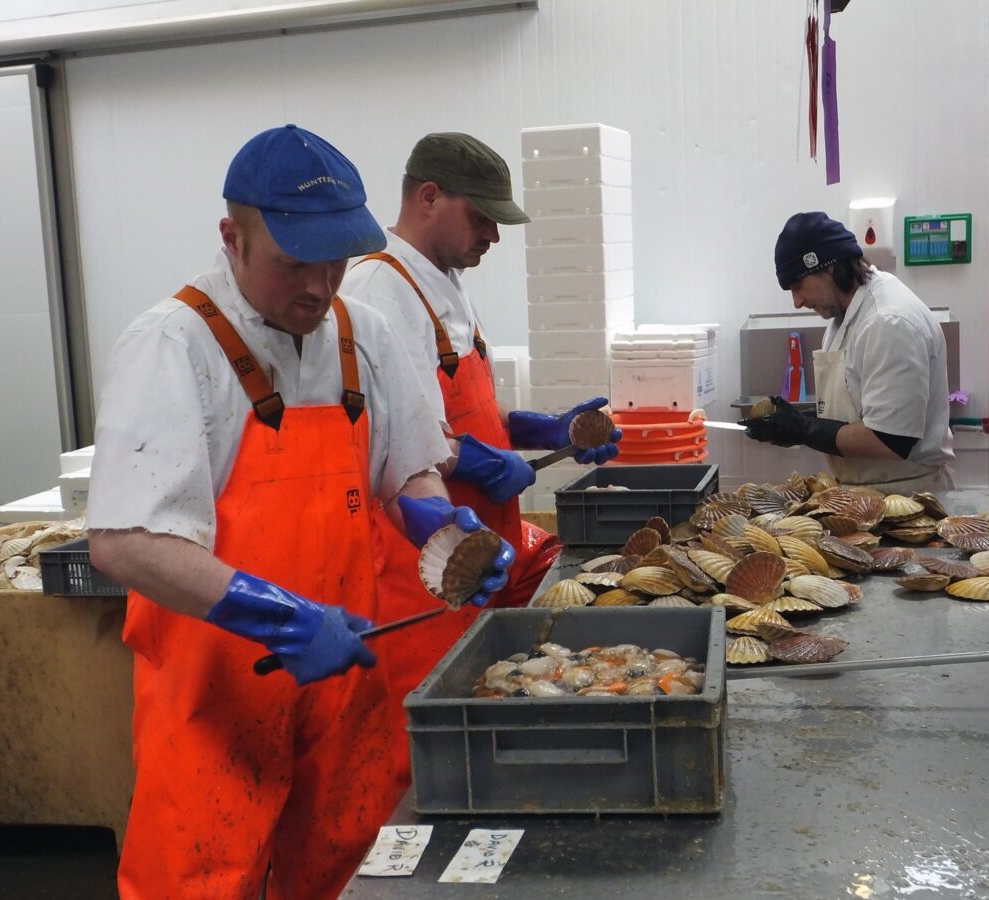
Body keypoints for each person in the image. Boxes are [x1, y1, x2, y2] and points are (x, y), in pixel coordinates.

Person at [85, 124, 514, 900]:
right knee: (201, 882)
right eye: (293, 260)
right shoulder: (173, 346)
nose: (320, 284)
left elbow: (408, 471)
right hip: (217, 696)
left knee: (347, 871)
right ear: (233, 237)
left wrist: (446, 530)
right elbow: (126, 541)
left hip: (342, 680)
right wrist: (279, 616)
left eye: (336, 258)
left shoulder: (361, 332)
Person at [340, 132, 621, 719]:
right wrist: (479, 462)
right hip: (424, 564)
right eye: (482, 218)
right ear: (429, 197)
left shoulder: (445, 284)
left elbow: (461, 415)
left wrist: (542, 431)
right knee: (426, 731)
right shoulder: (378, 290)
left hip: (482, 550)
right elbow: (400, 439)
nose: (493, 235)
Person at [743, 211, 956, 492]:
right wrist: (797, 420)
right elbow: (858, 409)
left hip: (909, 496)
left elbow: (889, 440)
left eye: (798, 286)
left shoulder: (889, 322)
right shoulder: (845, 315)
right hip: (867, 491)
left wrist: (802, 430)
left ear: (828, 267)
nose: (797, 302)